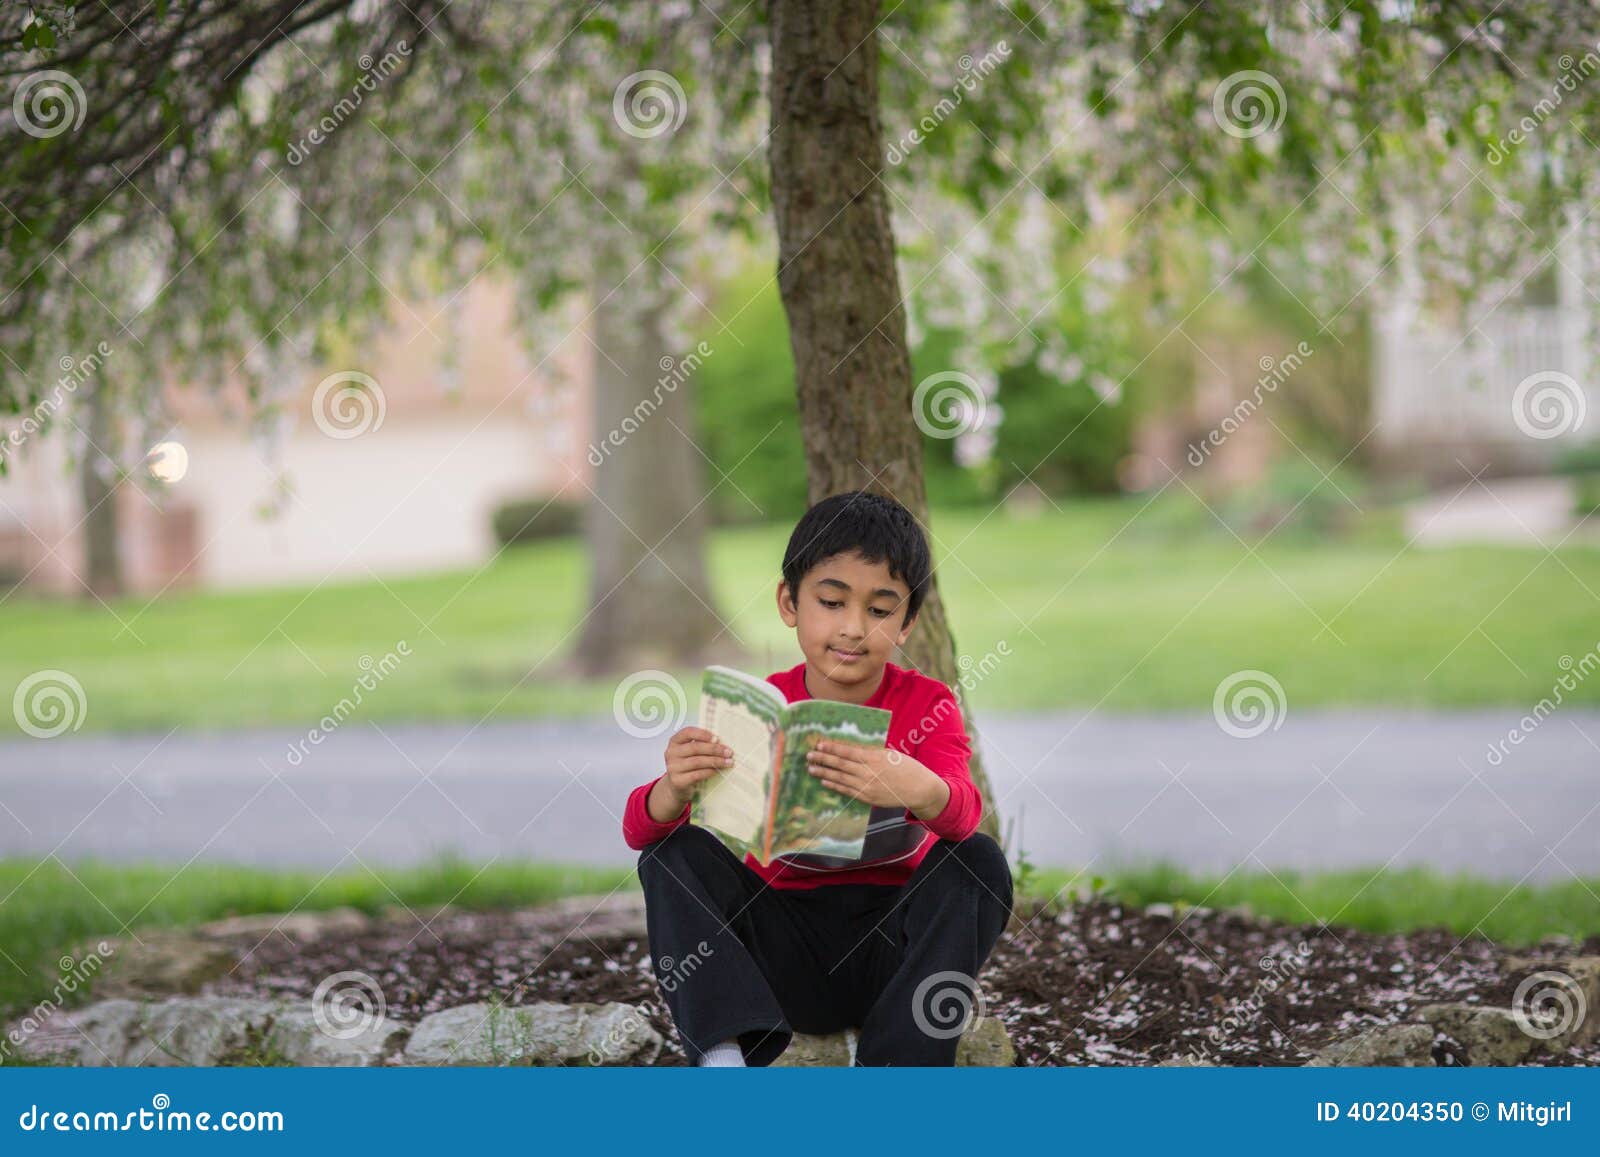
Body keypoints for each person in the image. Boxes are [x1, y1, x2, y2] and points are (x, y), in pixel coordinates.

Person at [622, 489, 1014, 1067]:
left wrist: (909, 782)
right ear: (790, 603)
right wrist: (673, 788)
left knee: (978, 861)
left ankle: (897, 1067)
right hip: (782, 958)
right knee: (670, 856)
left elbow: (962, 812)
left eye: (880, 610)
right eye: (831, 602)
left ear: (907, 623)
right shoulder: (761, 705)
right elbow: (640, 833)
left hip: (891, 955)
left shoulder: (929, 704)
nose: (853, 627)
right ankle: (724, 1055)